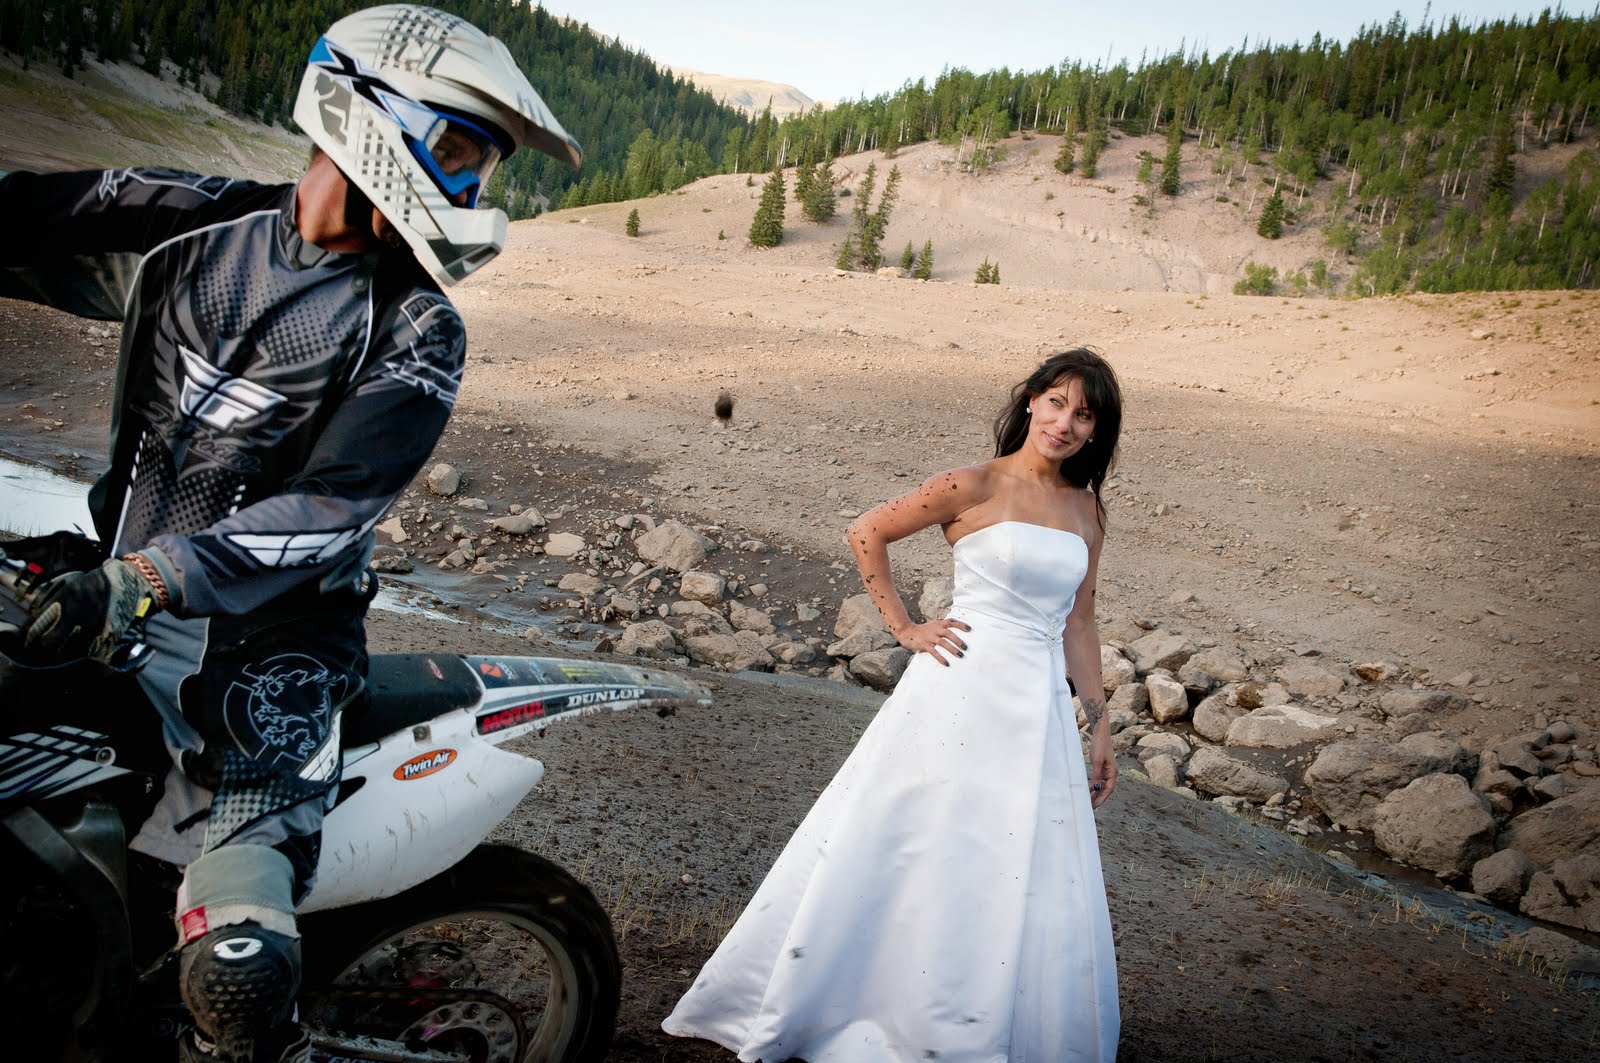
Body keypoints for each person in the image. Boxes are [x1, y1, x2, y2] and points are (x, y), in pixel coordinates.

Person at [0, 6, 581, 1060]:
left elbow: (328, 510)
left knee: (237, 978)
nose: (469, 190)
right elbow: (25, 215)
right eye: (458, 152)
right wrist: (119, 582)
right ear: (362, 110)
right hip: (109, 592)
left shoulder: (415, 326)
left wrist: (141, 578)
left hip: (275, 654)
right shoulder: (191, 221)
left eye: (479, 166)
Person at [664, 348, 1124, 1062]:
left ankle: (986, 1020)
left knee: (1013, 863)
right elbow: (865, 530)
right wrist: (905, 627)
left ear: (1095, 431)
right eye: (1057, 402)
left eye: (1084, 414)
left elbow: (1080, 621)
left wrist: (1099, 727)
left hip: (1035, 716)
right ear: (1031, 400)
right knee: (916, 843)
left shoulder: (1085, 510)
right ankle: (884, 1008)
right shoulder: (970, 484)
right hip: (956, 693)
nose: (1065, 423)